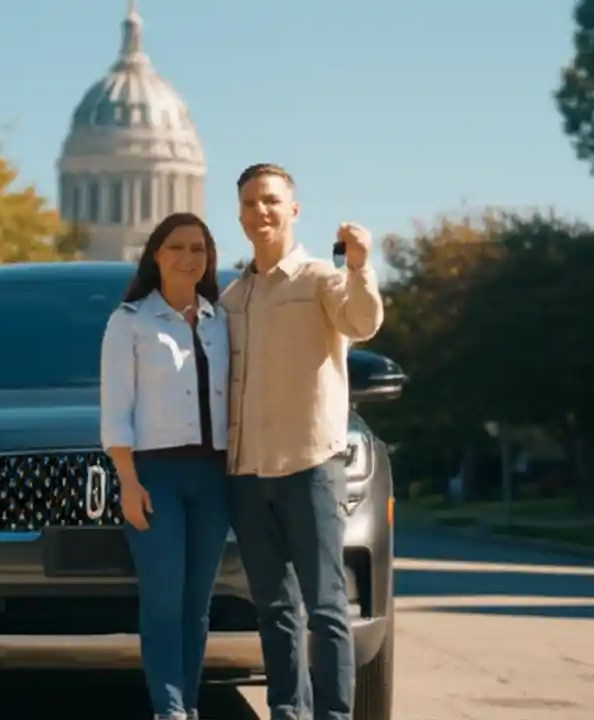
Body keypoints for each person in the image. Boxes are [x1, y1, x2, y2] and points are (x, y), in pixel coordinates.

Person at [220, 163, 384, 720]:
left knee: (327, 609)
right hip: (247, 475)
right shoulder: (232, 299)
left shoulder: (321, 279)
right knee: (274, 609)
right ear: (239, 214)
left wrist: (360, 267)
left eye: (270, 200)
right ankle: (288, 712)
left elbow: (361, 323)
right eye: (249, 203)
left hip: (310, 468)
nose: (259, 211)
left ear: (293, 209)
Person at [100, 212, 232, 720]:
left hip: (214, 477)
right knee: (163, 599)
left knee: (197, 604)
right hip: (156, 477)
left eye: (198, 248)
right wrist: (127, 482)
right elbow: (116, 409)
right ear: (156, 254)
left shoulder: (223, 320)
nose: (188, 257)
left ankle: (190, 705)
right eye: (176, 247)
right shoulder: (129, 321)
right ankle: (168, 710)